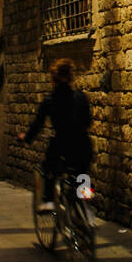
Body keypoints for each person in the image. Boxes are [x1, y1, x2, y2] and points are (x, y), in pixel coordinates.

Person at [21, 58, 91, 211]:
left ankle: (49, 200)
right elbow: (88, 121)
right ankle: (86, 204)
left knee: (49, 168)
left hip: (62, 145)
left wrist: (26, 139)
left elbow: (38, 124)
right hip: (84, 145)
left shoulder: (50, 100)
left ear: (53, 79)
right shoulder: (80, 97)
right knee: (82, 173)